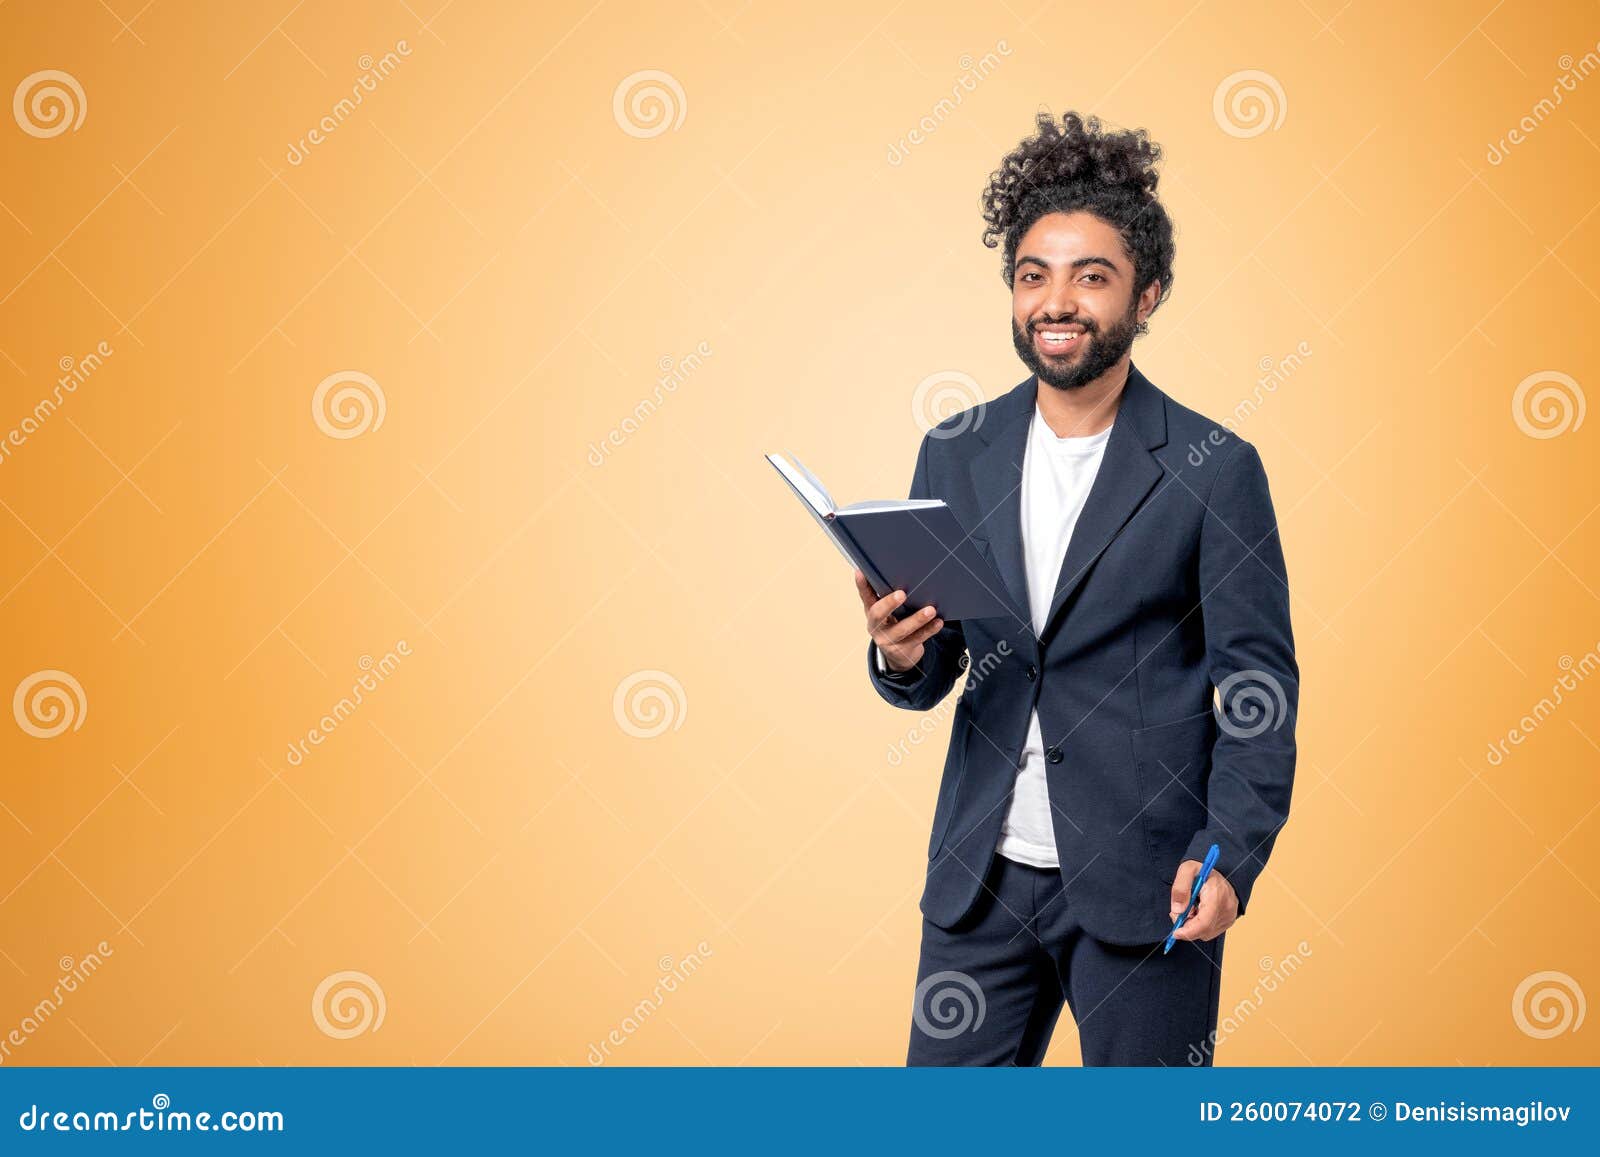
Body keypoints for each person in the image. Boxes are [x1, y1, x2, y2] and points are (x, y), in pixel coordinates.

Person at [858, 110, 1298, 1066]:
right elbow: (940, 663)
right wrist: (901, 652)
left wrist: (1232, 853)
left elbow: (1259, 689)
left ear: (1146, 298)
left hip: (1151, 884)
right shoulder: (956, 448)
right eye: (1033, 275)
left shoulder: (1213, 466)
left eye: (1090, 276)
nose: (1056, 301)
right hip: (982, 881)